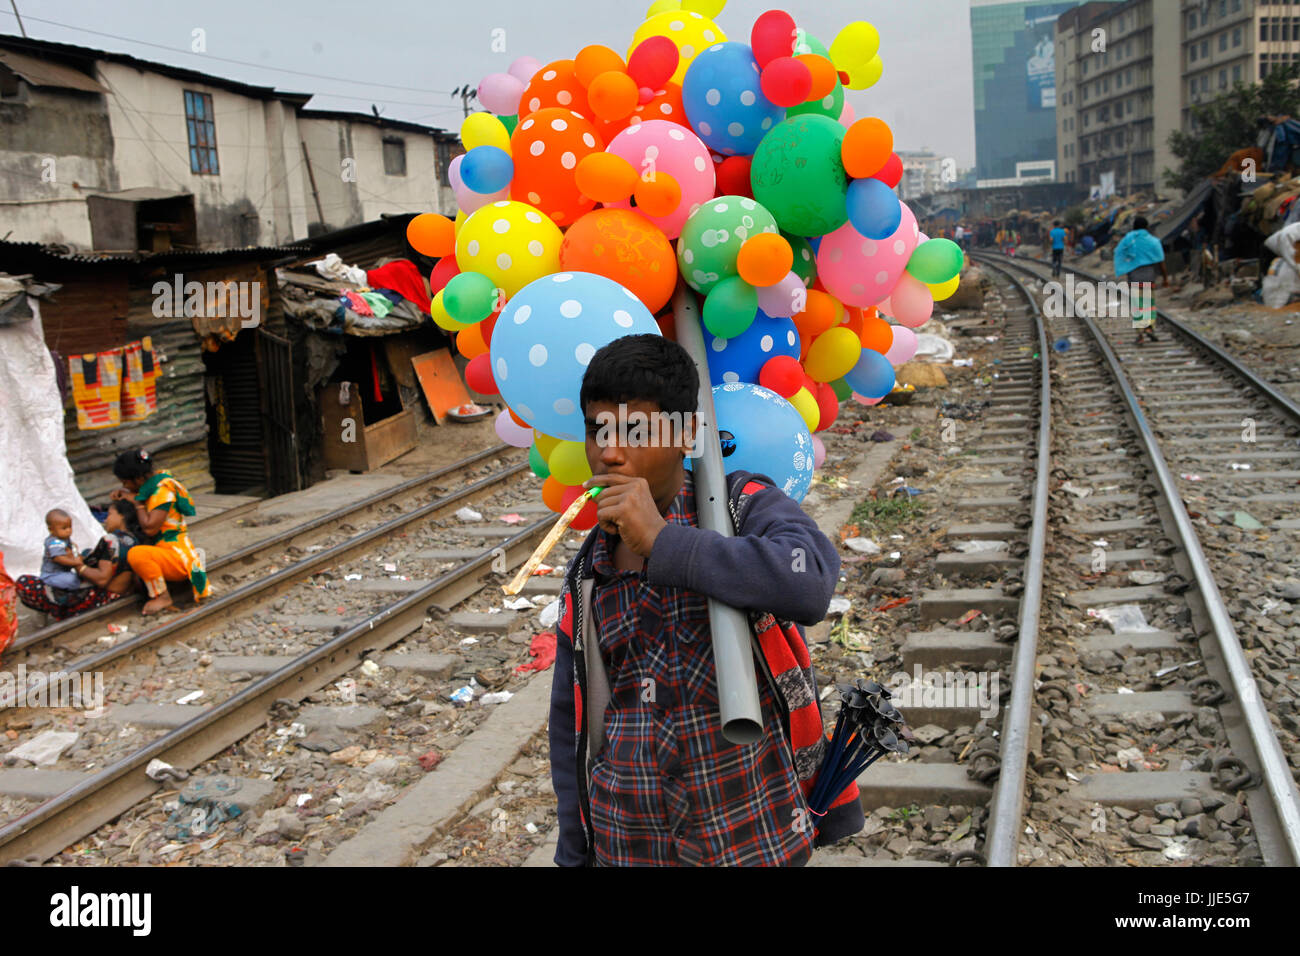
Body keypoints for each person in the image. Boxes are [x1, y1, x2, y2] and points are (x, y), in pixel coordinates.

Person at [548, 334, 863, 867]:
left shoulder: (742, 507)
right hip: (631, 839)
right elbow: (569, 719)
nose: (609, 451)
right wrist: (575, 847)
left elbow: (809, 581)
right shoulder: (590, 571)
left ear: (688, 434)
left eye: (635, 430)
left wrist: (666, 543)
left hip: (750, 833)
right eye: (596, 429)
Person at [111, 449, 210, 615]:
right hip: (168, 550)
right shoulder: (154, 484)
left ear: (138, 479)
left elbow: (150, 528)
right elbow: (141, 493)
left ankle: (162, 597)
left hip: (176, 555)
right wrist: (127, 494)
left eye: (125, 482)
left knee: (137, 554)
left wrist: (138, 504)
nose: (124, 486)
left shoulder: (163, 491)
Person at [15, 502, 141, 621]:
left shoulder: (111, 540)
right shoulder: (133, 540)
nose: (105, 519)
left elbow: (102, 579)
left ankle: (55, 610)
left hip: (97, 598)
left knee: (24, 582)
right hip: (118, 594)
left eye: (109, 515)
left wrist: (77, 564)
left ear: (122, 516)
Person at [1114, 215, 1169, 346]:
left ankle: (1140, 335)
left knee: (1138, 304)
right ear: (1147, 227)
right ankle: (1149, 327)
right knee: (1149, 303)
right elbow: (1161, 261)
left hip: (1134, 276)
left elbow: (1118, 253)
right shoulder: (1153, 241)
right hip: (1149, 275)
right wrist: (1165, 278)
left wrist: (1124, 267)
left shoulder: (1128, 239)